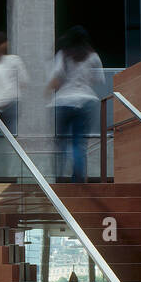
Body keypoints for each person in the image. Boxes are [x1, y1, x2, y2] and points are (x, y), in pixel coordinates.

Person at [47, 26, 105, 183]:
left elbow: (56, 79)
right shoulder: (93, 56)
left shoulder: (63, 54)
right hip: (86, 101)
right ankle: (78, 181)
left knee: (61, 143)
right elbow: (99, 79)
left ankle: (58, 179)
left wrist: (47, 90)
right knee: (79, 143)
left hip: (63, 102)